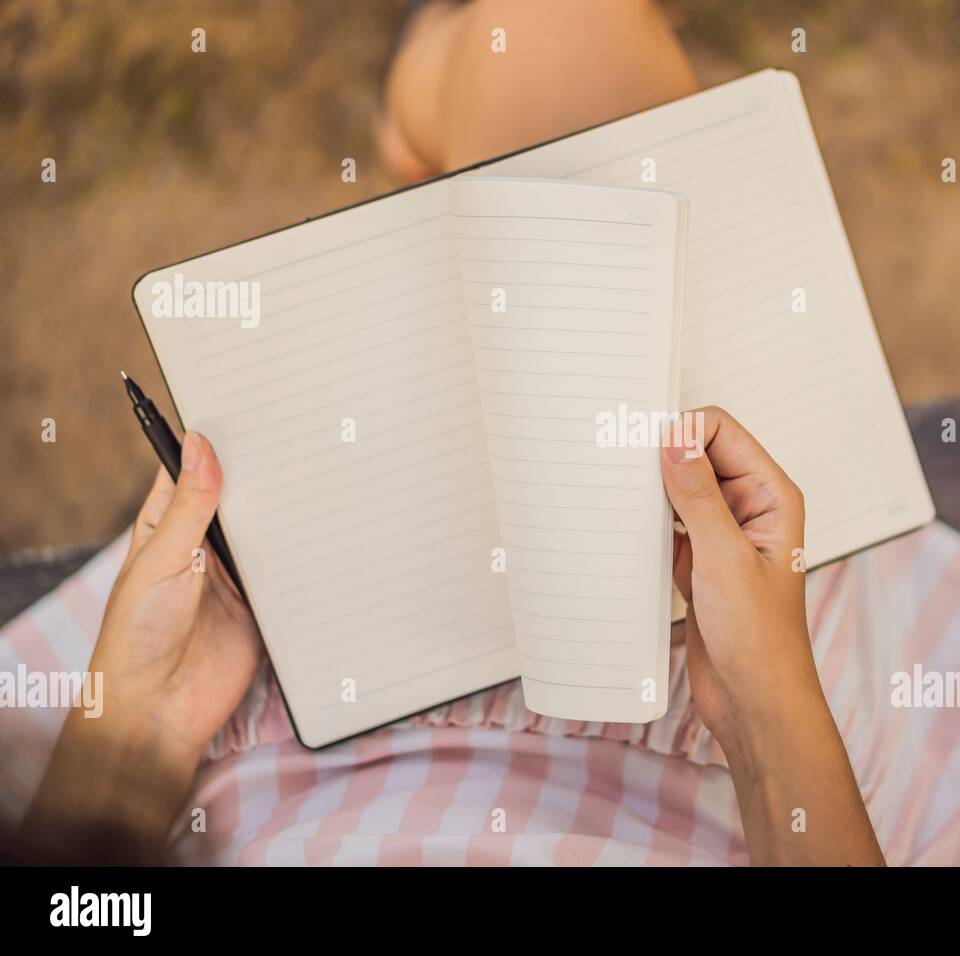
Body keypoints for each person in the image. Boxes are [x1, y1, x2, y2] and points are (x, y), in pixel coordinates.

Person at [18, 0, 885, 865]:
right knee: (558, 30)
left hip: (264, 724)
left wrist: (137, 723)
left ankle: (429, 88)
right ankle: (434, 82)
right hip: (693, 727)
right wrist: (762, 710)